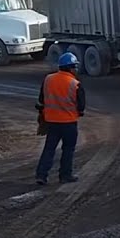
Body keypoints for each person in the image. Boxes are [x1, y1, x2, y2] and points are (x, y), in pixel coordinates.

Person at [35, 51, 86, 185]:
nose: (76, 69)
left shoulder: (48, 79)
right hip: (69, 123)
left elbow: (41, 101)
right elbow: (81, 107)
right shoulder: (75, 84)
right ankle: (65, 175)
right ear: (70, 67)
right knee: (68, 150)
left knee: (49, 149)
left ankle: (41, 175)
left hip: (51, 122)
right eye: (75, 67)